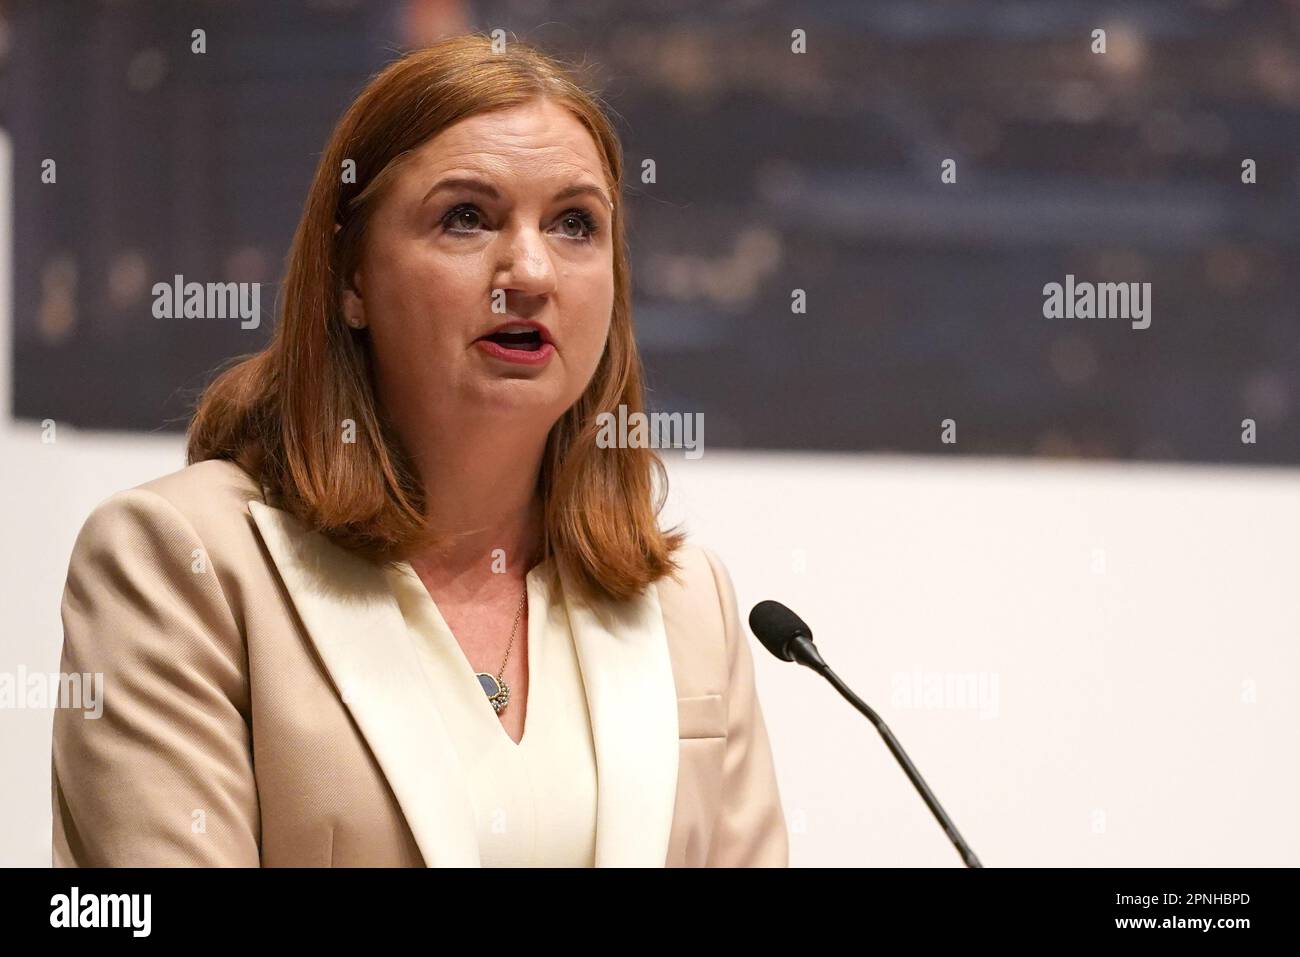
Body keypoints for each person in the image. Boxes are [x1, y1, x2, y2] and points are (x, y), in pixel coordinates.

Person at [51, 34, 787, 867]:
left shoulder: (693, 606)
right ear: (351, 279)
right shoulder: (182, 563)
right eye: (466, 217)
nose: (531, 270)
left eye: (576, 224)